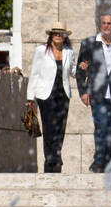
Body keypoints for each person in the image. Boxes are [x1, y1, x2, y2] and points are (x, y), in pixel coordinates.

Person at [76, 14, 111, 173]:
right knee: (101, 126)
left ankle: (107, 162)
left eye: (110, 24)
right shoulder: (89, 44)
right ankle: (99, 162)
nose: (107, 26)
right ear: (100, 25)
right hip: (97, 94)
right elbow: (80, 71)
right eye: (104, 23)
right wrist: (83, 92)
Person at [26, 26, 76, 173]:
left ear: (65, 36)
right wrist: (30, 97)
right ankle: (50, 161)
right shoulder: (41, 51)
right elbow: (34, 73)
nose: (58, 36)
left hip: (63, 95)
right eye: (55, 33)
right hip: (45, 95)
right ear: (51, 35)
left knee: (60, 128)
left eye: (61, 34)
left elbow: (73, 71)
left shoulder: (69, 52)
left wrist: (84, 68)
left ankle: (56, 157)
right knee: (49, 128)